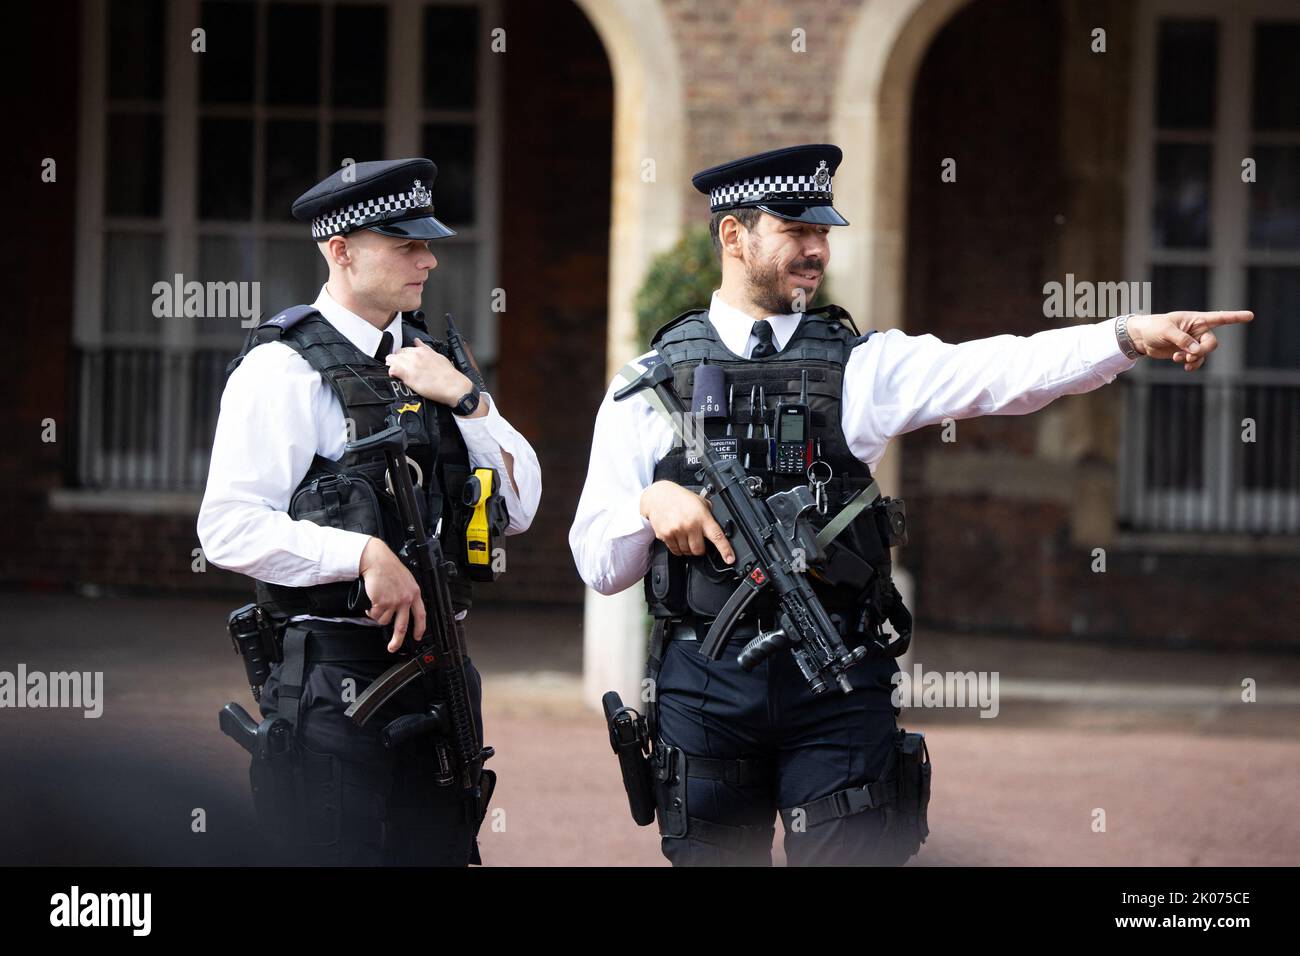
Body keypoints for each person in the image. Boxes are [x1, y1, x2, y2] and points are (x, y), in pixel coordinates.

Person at [569, 143, 1251, 866]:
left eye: (823, 232)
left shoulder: (864, 365)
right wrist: (648, 504)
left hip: (836, 682)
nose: (816, 250)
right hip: (705, 688)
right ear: (734, 236)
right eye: (796, 231)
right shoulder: (648, 383)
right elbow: (598, 562)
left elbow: (1003, 370)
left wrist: (1127, 335)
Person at [199, 157, 541, 866]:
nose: (428, 260)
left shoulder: (436, 361)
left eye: (428, 243)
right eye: (406, 244)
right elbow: (227, 526)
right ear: (341, 250)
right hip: (335, 677)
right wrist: (359, 554)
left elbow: (520, 507)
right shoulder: (283, 369)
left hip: (441, 671)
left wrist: (467, 400)